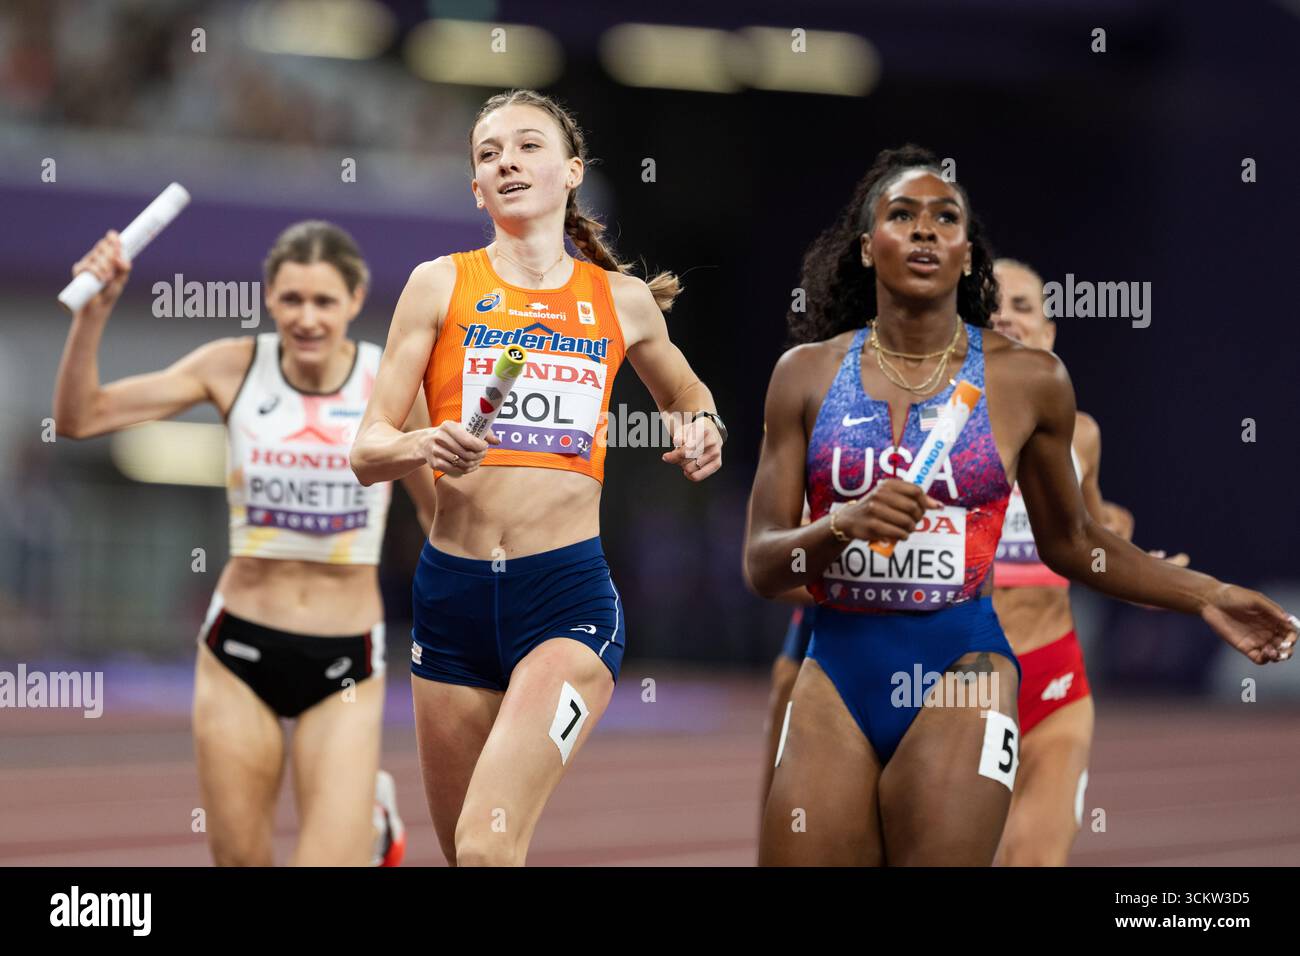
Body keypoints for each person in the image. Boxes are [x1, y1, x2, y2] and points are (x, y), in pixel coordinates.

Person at [743, 144, 1295, 866]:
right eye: (901, 215)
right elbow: (761, 562)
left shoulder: (1029, 381)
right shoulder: (806, 374)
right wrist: (837, 525)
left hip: (962, 670)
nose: (924, 231)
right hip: (836, 671)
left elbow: (1076, 543)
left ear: (969, 256)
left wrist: (1208, 594)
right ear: (866, 247)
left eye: (946, 218)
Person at [350, 89, 726, 867]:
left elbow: (688, 394)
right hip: (451, 601)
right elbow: (368, 448)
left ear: (571, 171)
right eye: (489, 154)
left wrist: (700, 429)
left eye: (527, 146)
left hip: (566, 602)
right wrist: (425, 443)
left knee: (488, 846)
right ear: (476, 189)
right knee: (469, 854)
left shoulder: (619, 302)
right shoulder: (439, 284)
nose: (507, 162)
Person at [53, 220, 435, 866]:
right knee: (240, 861)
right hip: (239, 649)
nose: (307, 318)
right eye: (291, 300)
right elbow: (80, 417)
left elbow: (437, 515)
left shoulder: (389, 383)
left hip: (347, 658)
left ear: (356, 299)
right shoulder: (233, 366)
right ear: (268, 299)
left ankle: (369, 825)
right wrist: (92, 316)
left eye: (323, 301)